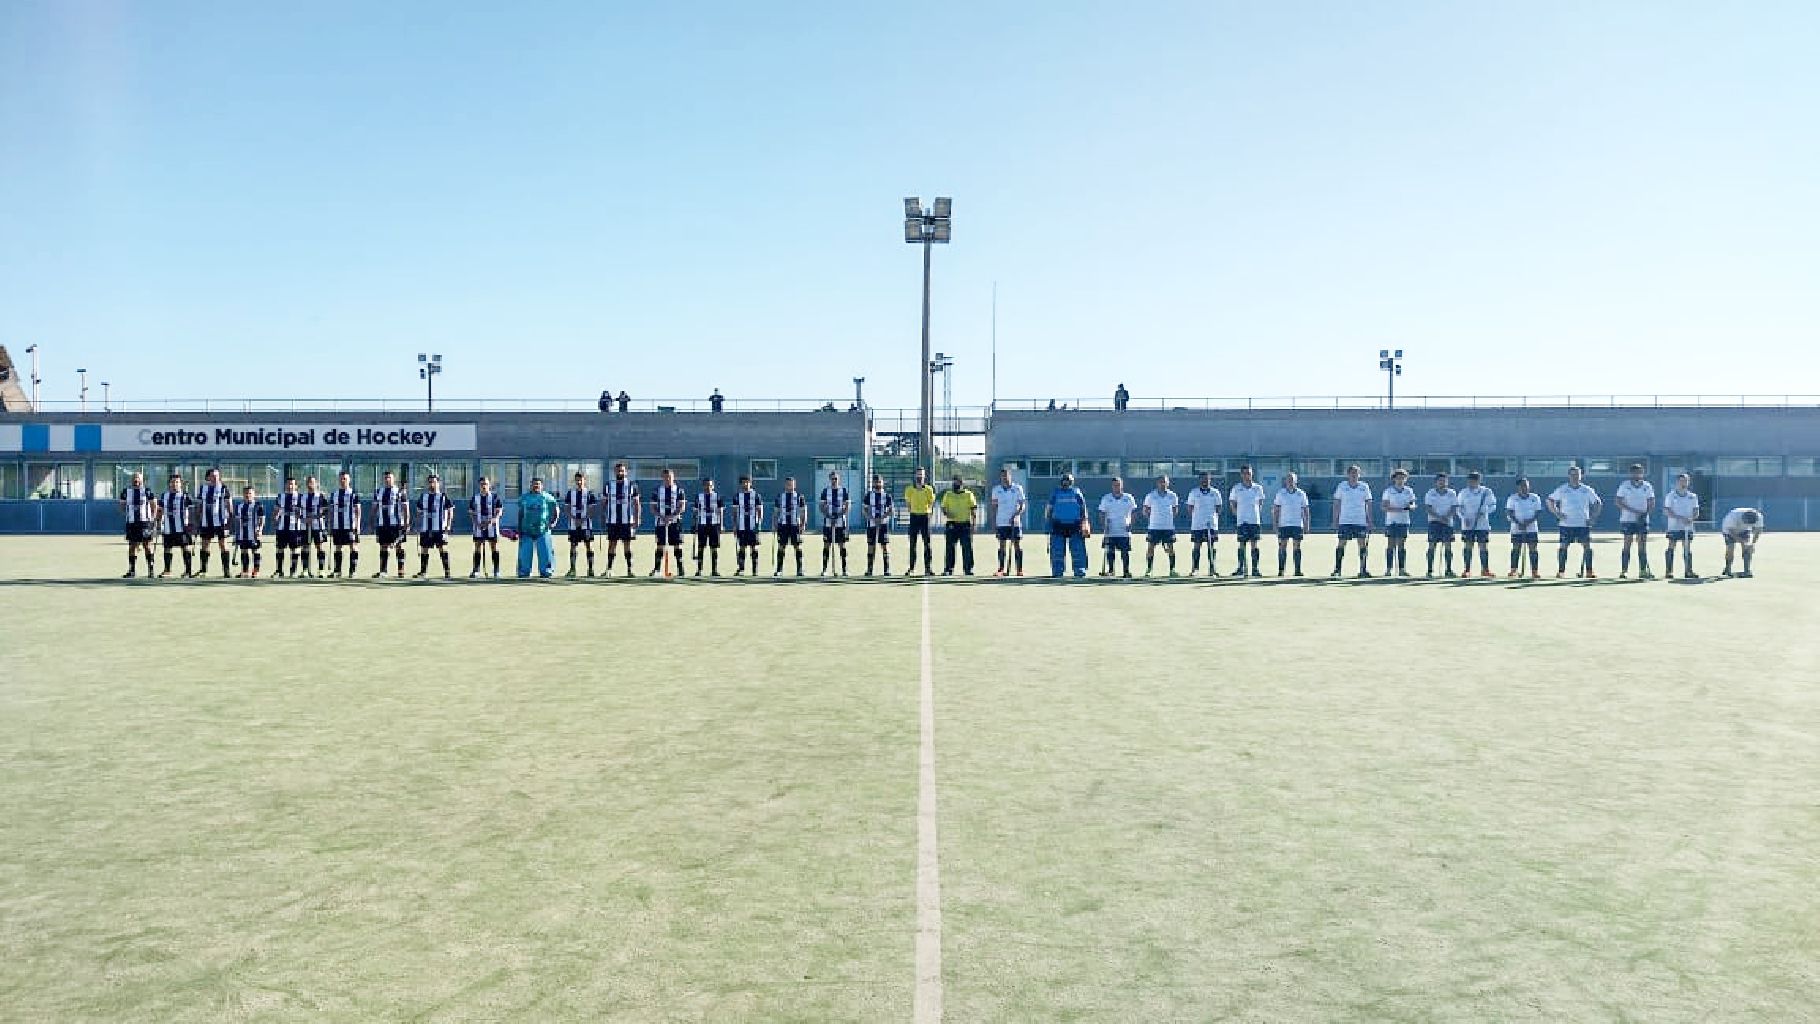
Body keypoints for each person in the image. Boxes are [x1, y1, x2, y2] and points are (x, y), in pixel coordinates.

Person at [1547, 466, 1602, 579]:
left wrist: (1592, 518)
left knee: (1587, 547)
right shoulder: (1562, 489)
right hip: (1566, 524)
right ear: (1569, 476)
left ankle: (1589, 571)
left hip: (1582, 524)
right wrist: (1557, 513)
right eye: (1573, 475)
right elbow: (1550, 500)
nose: (1575, 477)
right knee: (1563, 547)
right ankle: (1561, 571)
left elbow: (1598, 503)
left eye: (1577, 475)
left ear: (1581, 476)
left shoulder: (1587, 490)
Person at [1329, 465, 1373, 579]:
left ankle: (1363, 570)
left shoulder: (1364, 487)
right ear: (1348, 474)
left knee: (1362, 545)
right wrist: (1335, 519)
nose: (1354, 475)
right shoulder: (1342, 486)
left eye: (1356, 473)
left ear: (1359, 474)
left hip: (1360, 521)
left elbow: (1368, 504)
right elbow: (1336, 503)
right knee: (1341, 544)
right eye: (1352, 473)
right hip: (1345, 520)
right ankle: (1337, 570)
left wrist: (1370, 520)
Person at [1614, 463, 1657, 580]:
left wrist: (1645, 513)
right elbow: (1618, 501)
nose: (1637, 474)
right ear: (1631, 473)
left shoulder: (1647, 486)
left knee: (1642, 546)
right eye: (1635, 472)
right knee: (1627, 544)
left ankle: (1642, 571)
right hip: (1627, 520)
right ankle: (1624, 571)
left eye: (1639, 472)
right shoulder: (1624, 485)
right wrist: (1633, 511)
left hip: (1642, 520)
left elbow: (1652, 502)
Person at [1044, 472, 1091, 578]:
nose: (1066, 483)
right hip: (1058, 524)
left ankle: (1079, 570)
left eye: (1068, 481)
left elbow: (1083, 509)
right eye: (1064, 480)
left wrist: (1085, 522)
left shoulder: (1077, 493)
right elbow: (1049, 509)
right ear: (1061, 482)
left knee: (1078, 549)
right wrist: (1048, 523)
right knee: (1057, 550)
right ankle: (1057, 571)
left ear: (1071, 482)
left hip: (1075, 524)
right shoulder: (1055, 493)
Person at [516, 477, 561, 579]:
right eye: (534, 484)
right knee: (525, 553)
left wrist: (554, 522)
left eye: (538, 484)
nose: (536, 486)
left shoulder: (547, 497)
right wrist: (519, 528)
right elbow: (520, 513)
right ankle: (524, 572)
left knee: (545, 552)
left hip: (543, 530)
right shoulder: (524, 498)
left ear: (542, 486)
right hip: (526, 530)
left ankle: (546, 571)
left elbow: (556, 508)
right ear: (530, 485)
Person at [601, 462, 641, 577]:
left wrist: (637, 518)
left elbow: (637, 503)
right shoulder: (609, 485)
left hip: (627, 521)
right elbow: (604, 503)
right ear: (614, 472)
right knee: (612, 544)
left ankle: (630, 570)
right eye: (618, 471)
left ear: (626, 472)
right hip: (612, 520)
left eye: (622, 471)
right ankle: (609, 569)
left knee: (627, 545)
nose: (620, 473)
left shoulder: (632, 485)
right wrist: (603, 517)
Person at [413, 474, 455, 579]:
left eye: (434, 482)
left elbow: (450, 511)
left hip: (440, 528)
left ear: (438, 483)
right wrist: (417, 525)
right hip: (426, 528)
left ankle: (447, 571)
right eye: (430, 482)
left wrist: (448, 525)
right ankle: (423, 572)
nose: (432, 484)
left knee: (442, 548)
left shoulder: (443, 496)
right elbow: (419, 512)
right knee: (424, 548)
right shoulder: (423, 497)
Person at [1227, 464, 1266, 578]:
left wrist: (1256, 513)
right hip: (1241, 521)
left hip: (1254, 520)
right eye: (1244, 473)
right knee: (1242, 544)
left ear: (1252, 474)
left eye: (1248, 473)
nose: (1246, 475)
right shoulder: (1236, 488)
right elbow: (1232, 503)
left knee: (1254, 544)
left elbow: (1260, 503)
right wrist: (1237, 514)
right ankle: (1240, 568)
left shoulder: (1257, 488)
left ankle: (1255, 569)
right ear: (1241, 475)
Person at [1456, 471, 1497, 579]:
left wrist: (1484, 511)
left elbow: (1493, 506)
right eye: (1470, 480)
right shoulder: (1463, 492)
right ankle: (1467, 570)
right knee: (1468, 546)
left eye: (1475, 480)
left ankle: (1485, 569)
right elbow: (1459, 508)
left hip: (1482, 525)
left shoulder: (1486, 492)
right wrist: (1465, 518)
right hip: (1468, 525)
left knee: (1483, 546)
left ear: (1479, 480)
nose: (1472, 482)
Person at [195, 467, 234, 578]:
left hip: (221, 522)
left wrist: (230, 519)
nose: (215, 478)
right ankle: (203, 569)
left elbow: (229, 504)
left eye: (217, 475)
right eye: (213, 476)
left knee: (223, 544)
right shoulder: (203, 489)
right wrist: (198, 518)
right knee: (205, 544)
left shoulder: (224, 488)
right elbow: (199, 505)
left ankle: (226, 570)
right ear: (208, 477)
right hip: (206, 522)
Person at [119, 471, 158, 579]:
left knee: (147, 545)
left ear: (142, 480)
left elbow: (154, 505)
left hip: (145, 523)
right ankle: (132, 570)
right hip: (132, 523)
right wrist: (127, 514)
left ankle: (151, 570)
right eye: (134, 478)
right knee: (132, 546)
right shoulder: (126, 491)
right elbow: (122, 505)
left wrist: (153, 519)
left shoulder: (147, 491)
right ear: (132, 479)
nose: (136, 480)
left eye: (138, 478)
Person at [371, 471, 410, 579]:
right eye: (386, 478)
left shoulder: (400, 492)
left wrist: (407, 523)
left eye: (389, 478)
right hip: (382, 524)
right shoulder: (379, 491)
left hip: (396, 524)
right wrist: (372, 520)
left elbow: (406, 508)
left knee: (399, 546)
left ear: (394, 479)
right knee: (383, 546)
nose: (387, 480)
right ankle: (383, 571)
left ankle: (401, 570)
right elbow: (374, 508)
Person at [650, 468, 688, 577]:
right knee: (660, 545)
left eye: (669, 477)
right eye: (665, 477)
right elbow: (653, 507)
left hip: (675, 522)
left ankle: (680, 570)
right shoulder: (657, 490)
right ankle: (657, 570)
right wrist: (662, 517)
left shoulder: (679, 490)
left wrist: (671, 517)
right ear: (662, 478)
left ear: (673, 477)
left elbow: (682, 507)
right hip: (660, 522)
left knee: (677, 545)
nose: (667, 479)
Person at [1379, 468, 1417, 577]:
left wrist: (1411, 507)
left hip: (1404, 521)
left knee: (1401, 545)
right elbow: (1384, 507)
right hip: (1392, 521)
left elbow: (1412, 504)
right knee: (1391, 545)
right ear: (1394, 479)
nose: (1400, 480)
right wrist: (1398, 509)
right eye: (1398, 478)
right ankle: (1388, 569)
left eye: (1403, 478)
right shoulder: (1388, 491)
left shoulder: (1408, 490)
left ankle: (1401, 569)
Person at [989, 468, 1027, 577]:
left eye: (1006, 476)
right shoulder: (996, 490)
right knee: (1002, 545)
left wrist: (1017, 514)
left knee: (1017, 545)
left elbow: (1022, 505)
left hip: (1015, 523)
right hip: (1001, 522)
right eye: (1003, 476)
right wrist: (994, 522)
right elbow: (994, 507)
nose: (1005, 478)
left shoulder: (1018, 488)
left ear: (1010, 476)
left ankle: (1019, 569)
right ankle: (1000, 569)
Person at [1661, 474, 1700, 580]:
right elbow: (1666, 510)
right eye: (1682, 481)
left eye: (1686, 481)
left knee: (1687, 547)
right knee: (1671, 546)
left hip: (1688, 527)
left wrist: (1691, 519)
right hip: (1674, 526)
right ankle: (1669, 571)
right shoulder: (1671, 495)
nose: (1684, 483)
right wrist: (1680, 518)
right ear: (1677, 482)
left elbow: (1696, 511)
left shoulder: (1692, 496)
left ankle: (1688, 571)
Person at [157, 472, 195, 578]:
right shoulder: (164, 496)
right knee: (167, 548)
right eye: (173, 482)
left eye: (177, 482)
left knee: (185, 547)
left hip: (183, 527)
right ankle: (167, 571)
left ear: (180, 484)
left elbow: (192, 511)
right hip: (168, 527)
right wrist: (159, 522)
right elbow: (160, 510)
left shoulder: (185, 496)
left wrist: (191, 525)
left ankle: (188, 571)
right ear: (169, 484)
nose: (175, 484)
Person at [1098, 477, 1138, 578]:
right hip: (1110, 530)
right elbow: (1102, 513)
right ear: (1112, 486)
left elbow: (1134, 512)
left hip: (1124, 530)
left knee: (1125, 552)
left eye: (1118, 484)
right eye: (1115, 485)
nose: (1117, 487)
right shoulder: (1106, 498)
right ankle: (1111, 570)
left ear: (1122, 485)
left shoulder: (1128, 498)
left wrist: (1131, 525)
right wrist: (1104, 526)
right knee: (1110, 552)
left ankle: (1126, 571)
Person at [1272, 471, 1311, 576]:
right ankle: (1281, 570)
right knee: (1282, 546)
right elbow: (1276, 510)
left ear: (1296, 481)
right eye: (1288, 479)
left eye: (1292, 480)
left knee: (1297, 546)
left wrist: (1307, 524)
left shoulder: (1301, 494)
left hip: (1297, 524)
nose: (1290, 482)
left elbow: (1306, 510)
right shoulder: (1281, 493)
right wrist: (1275, 525)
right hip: (1283, 524)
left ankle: (1297, 570)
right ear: (1285, 481)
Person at [1184, 471, 1222, 577]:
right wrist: (1198, 517)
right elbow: (1190, 507)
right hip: (1197, 525)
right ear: (1200, 480)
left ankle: (1212, 568)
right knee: (1197, 546)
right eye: (1203, 479)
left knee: (1211, 546)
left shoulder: (1215, 492)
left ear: (1210, 480)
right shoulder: (1194, 492)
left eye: (1207, 479)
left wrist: (1212, 517)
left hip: (1211, 524)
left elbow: (1218, 507)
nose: (1205, 481)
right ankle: (1195, 569)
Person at [1505, 477, 1544, 578]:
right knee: (1516, 548)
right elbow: (1509, 513)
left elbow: (1538, 512)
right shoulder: (1512, 498)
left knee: (1533, 549)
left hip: (1531, 528)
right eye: (1522, 485)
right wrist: (1519, 523)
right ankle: (1513, 570)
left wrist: (1529, 522)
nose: (1525, 487)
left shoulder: (1535, 498)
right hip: (1516, 528)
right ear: (1518, 487)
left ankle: (1534, 571)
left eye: (1526, 485)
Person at [939, 475, 978, 576]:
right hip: (952, 524)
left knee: (967, 547)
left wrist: (974, 524)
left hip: (965, 524)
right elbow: (943, 507)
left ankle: (968, 569)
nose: (954, 485)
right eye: (953, 483)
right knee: (950, 548)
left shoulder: (969, 494)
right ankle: (948, 569)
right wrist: (946, 513)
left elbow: (973, 510)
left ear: (961, 483)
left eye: (956, 483)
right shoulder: (948, 494)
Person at [561, 471, 598, 578]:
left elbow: (592, 510)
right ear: (575, 481)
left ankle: (590, 569)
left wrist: (582, 520)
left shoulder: (589, 493)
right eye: (577, 480)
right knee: (573, 546)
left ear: (584, 480)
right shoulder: (570, 493)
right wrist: (573, 518)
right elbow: (567, 508)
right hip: (573, 525)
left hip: (586, 525)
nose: (579, 482)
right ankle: (572, 569)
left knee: (589, 546)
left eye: (581, 480)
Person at [1423, 472, 1460, 578]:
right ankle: (1429, 570)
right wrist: (1439, 518)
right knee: (1432, 545)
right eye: (1440, 481)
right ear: (1436, 482)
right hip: (1434, 522)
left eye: (1444, 481)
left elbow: (1454, 507)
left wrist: (1447, 517)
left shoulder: (1452, 493)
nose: (1442, 483)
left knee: (1448, 545)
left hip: (1448, 523)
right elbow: (1428, 508)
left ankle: (1448, 570)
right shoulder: (1430, 493)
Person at [1142, 475, 1180, 577]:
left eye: (1165, 482)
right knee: (1151, 548)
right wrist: (1154, 518)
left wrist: (1167, 519)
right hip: (1154, 527)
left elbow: (1175, 511)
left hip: (1168, 527)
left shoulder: (1172, 496)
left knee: (1170, 548)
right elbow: (1145, 511)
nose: (1163, 484)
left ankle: (1172, 570)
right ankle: (1149, 569)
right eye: (1161, 482)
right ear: (1157, 483)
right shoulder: (1150, 496)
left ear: (1168, 483)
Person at [328, 471, 363, 578]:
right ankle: (337, 570)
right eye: (341, 479)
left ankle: (353, 571)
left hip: (350, 525)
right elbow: (331, 510)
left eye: (345, 479)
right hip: (337, 525)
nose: (343, 481)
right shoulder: (334, 494)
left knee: (353, 546)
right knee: (338, 547)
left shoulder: (354, 494)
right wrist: (330, 524)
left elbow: (358, 510)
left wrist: (357, 526)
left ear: (349, 480)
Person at [903, 467, 937, 576]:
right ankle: (911, 568)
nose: (919, 477)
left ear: (924, 476)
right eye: (918, 475)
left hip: (925, 517)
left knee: (927, 544)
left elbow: (931, 503)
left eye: (921, 475)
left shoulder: (929, 489)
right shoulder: (909, 489)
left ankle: (928, 568)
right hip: (914, 517)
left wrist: (928, 513)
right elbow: (908, 504)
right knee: (912, 544)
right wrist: (913, 510)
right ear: (915, 476)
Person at [469, 476, 504, 578]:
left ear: (489, 485)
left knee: (494, 546)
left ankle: (496, 571)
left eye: (486, 484)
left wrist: (494, 519)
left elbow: (499, 511)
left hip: (492, 526)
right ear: (479, 486)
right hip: (479, 526)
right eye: (482, 484)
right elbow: (471, 513)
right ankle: (476, 570)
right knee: (477, 546)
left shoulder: (495, 497)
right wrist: (476, 523)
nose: (484, 486)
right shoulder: (475, 498)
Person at [273, 477, 308, 578]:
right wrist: (275, 517)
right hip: (282, 527)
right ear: (285, 485)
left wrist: (301, 516)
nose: (290, 486)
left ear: (296, 486)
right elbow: (276, 509)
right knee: (280, 548)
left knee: (295, 549)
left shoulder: (301, 497)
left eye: (292, 484)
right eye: (288, 484)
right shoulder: (280, 496)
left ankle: (293, 571)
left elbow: (304, 511)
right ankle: (279, 570)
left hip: (295, 527)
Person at [732, 475, 766, 576]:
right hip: (741, 525)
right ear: (741, 484)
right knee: (742, 547)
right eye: (743, 482)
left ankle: (755, 570)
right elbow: (734, 512)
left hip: (753, 526)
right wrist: (734, 525)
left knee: (754, 547)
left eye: (747, 482)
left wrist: (759, 523)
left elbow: (760, 510)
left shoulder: (756, 495)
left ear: (751, 483)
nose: (745, 484)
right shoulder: (737, 496)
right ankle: (741, 569)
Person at [820, 471, 852, 576]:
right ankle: (824, 569)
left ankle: (844, 569)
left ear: (839, 480)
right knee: (826, 545)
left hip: (840, 522)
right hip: (828, 522)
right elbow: (821, 506)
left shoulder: (844, 491)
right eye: (832, 479)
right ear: (830, 479)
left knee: (842, 545)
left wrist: (837, 516)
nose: (834, 481)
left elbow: (847, 506)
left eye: (836, 479)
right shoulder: (825, 491)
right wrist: (829, 516)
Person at [774, 476, 809, 576]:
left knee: (797, 547)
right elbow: (776, 512)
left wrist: (803, 524)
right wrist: (775, 524)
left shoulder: (799, 496)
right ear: (785, 485)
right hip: (783, 525)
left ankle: (800, 570)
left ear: (795, 485)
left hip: (795, 525)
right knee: (781, 547)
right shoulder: (780, 496)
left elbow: (803, 511)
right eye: (788, 484)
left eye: (792, 484)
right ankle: (779, 570)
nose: (790, 486)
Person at [862, 473, 894, 577]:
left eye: (879, 482)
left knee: (884, 546)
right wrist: (872, 518)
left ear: (882, 483)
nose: (877, 484)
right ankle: (869, 569)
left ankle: (886, 569)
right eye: (876, 482)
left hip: (883, 525)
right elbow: (865, 510)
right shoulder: (868, 495)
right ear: (873, 483)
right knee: (871, 546)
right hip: (871, 524)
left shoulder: (887, 496)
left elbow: (891, 510)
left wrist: (882, 518)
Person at [693, 477, 725, 576]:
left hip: (714, 524)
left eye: (710, 485)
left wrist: (721, 524)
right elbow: (695, 512)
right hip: (702, 525)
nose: (708, 487)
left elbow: (721, 511)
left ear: (713, 486)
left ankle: (714, 570)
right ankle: (699, 570)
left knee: (714, 548)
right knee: (701, 547)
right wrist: (694, 524)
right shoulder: (699, 497)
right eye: (706, 485)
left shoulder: (717, 496)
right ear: (703, 486)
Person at [232, 485, 266, 578]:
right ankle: (245, 571)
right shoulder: (239, 506)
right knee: (243, 551)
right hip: (243, 533)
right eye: (246, 493)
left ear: (254, 494)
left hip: (254, 533)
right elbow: (237, 520)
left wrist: (260, 529)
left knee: (256, 551)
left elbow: (262, 519)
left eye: (250, 493)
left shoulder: (258, 505)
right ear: (243, 494)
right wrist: (236, 534)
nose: (248, 495)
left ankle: (256, 571)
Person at [1720, 507, 1763, 578]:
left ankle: (1747, 571)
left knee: (1747, 549)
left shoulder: (1759, 517)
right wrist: (1742, 541)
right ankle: (1728, 569)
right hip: (1729, 530)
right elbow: (1730, 532)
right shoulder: (1733, 516)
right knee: (1730, 548)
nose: (1747, 524)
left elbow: (1758, 531)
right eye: (1746, 522)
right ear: (1743, 518)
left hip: (1744, 531)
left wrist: (1752, 544)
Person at [301, 476, 331, 577]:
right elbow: (297, 510)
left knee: (320, 547)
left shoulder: (321, 496)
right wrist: (303, 519)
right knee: (305, 547)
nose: (310, 484)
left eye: (312, 482)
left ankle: (321, 570)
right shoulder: (302, 497)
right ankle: (305, 570)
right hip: (305, 526)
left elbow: (326, 511)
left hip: (318, 526)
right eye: (309, 482)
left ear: (316, 483)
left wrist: (314, 517)